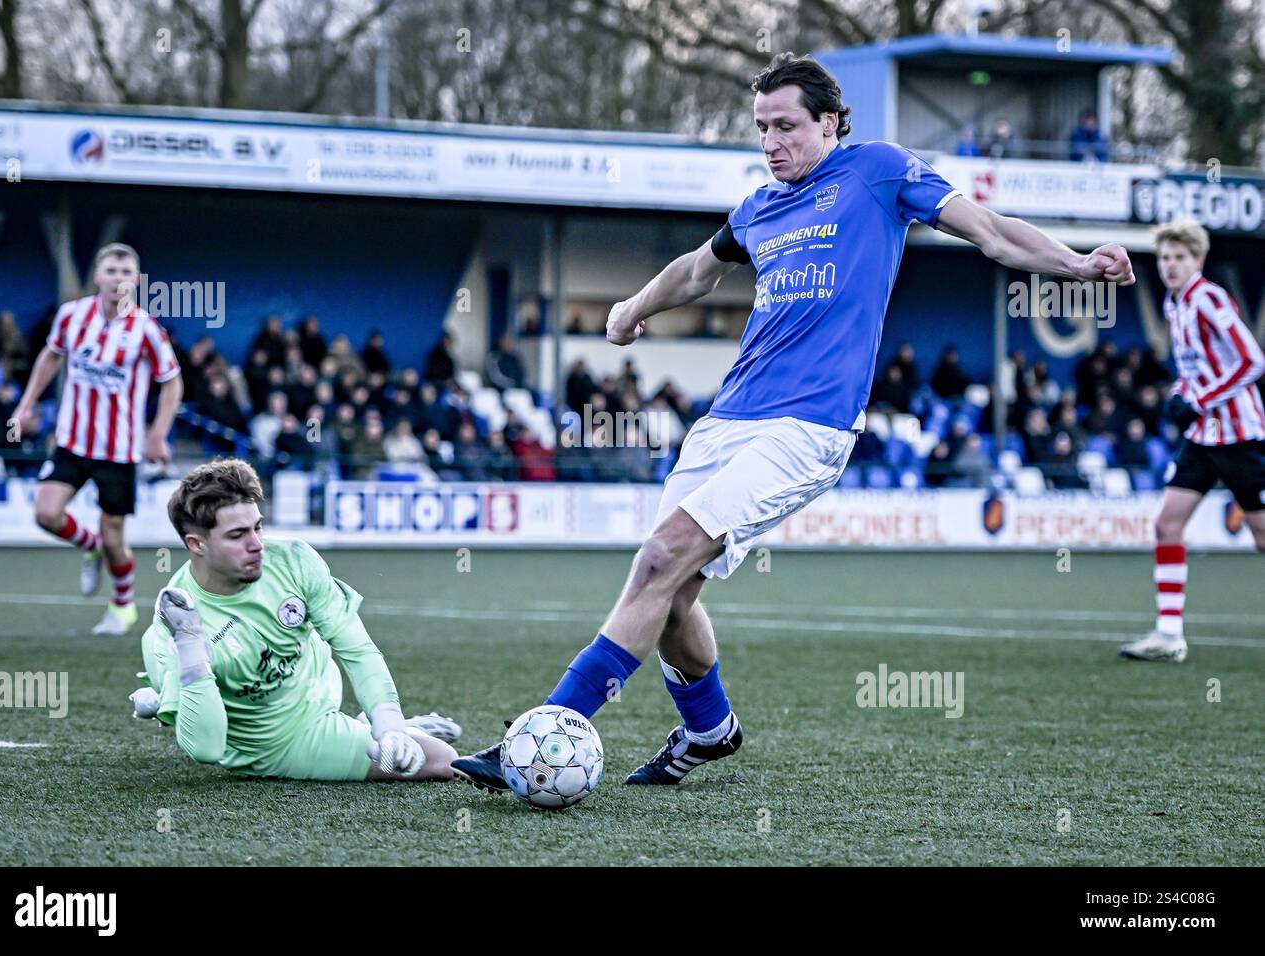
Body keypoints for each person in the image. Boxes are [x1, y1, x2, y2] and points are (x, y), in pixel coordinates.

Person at [451, 51, 1135, 792]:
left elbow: (991, 231)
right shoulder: (759, 208)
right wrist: (631, 308)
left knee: (658, 559)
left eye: (786, 126)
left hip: (806, 428)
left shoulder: (878, 171)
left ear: (830, 124)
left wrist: (1076, 264)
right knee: (674, 590)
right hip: (725, 421)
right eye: (761, 128)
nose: (771, 141)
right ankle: (710, 731)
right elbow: (697, 269)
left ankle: (545, 730)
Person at [134, 458, 460, 781]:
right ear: (196, 544)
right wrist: (191, 648)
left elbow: (356, 647)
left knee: (396, 735)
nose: (257, 545)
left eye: (258, 527)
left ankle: (371, 725)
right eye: (237, 535)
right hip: (284, 742)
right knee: (442, 760)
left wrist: (390, 724)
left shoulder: (292, 559)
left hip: (320, 683)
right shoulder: (177, 624)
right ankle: (172, 695)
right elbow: (206, 749)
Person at [10, 243, 183, 636]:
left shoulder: (147, 330)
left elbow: (172, 382)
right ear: (98, 276)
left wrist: (157, 434)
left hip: (119, 450)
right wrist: (26, 404)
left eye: (126, 272)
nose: (118, 279)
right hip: (71, 440)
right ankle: (89, 546)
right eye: (111, 270)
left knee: (114, 534)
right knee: (46, 514)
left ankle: (122, 607)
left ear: (136, 281)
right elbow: (51, 356)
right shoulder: (72, 315)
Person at [1120, 219, 1265, 663]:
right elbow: (1192, 369)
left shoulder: (1208, 299)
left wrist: (1199, 398)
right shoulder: (1174, 304)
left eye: (1179, 257)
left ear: (1197, 260)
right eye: (1164, 258)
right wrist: (1182, 395)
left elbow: (1251, 360)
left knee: (1262, 538)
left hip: (1240, 436)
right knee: (1167, 524)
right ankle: (1169, 635)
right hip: (1204, 437)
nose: (1170, 265)